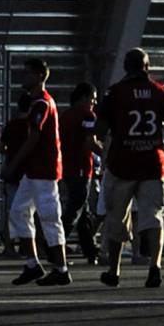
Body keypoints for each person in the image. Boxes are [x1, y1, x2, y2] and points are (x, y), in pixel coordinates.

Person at [98, 45, 164, 290]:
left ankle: (114, 269)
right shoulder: (160, 92)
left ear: (125, 67)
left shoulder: (115, 93)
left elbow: (99, 130)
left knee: (117, 217)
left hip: (122, 163)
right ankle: (155, 266)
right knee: (153, 216)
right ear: (147, 67)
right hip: (152, 163)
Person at [2, 59, 70, 288]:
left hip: (44, 170)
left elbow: (34, 138)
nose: (24, 77)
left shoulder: (41, 103)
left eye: (28, 73)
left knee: (49, 216)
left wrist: (14, 164)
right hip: (34, 170)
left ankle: (61, 268)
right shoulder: (37, 103)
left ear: (40, 76)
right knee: (19, 211)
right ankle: (32, 264)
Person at [61, 82, 99, 263]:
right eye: (93, 98)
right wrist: (107, 153)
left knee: (83, 211)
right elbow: (90, 142)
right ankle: (54, 245)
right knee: (75, 209)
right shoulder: (87, 115)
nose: (94, 103)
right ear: (84, 98)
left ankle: (90, 251)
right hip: (82, 168)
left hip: (67, 167)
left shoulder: (66, 115)